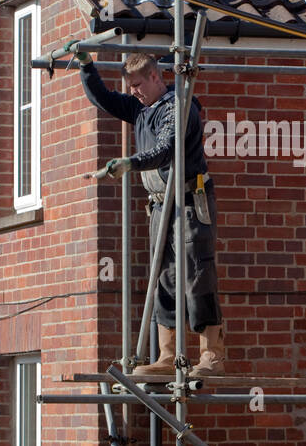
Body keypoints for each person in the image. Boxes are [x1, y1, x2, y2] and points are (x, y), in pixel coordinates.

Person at [70, 44, 224, 378]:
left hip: (188, 199)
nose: (134, 93)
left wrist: (130, 163)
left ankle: (211, 354)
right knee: (163, 275)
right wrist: (86, 66)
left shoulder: (178, 107)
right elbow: (105, 99)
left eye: (138, 85)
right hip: (159, 203)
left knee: (197, 271)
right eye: (131, 87)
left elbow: (166, 148)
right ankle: (168, 356)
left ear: (155, 76)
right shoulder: (141, 108)